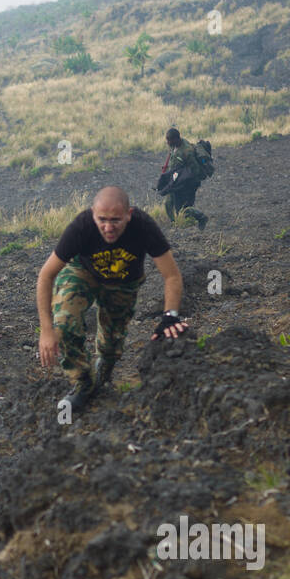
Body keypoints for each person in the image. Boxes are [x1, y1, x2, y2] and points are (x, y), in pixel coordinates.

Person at [36, 186, 188, 413]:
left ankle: (104, 368)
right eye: (102, 219)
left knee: (111, 343)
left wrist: (170, 316)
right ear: (93, 214)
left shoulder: (143, 226)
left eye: (116, 220)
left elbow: (172, 275)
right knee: (65, 324)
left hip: (124, 282)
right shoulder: (82, 226)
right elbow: (46, 275)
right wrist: (46, 330)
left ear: (129, 214)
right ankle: (83, 382)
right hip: (83, 272)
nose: (108, 227)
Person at [155, 127, 209, 229]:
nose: (167, 142)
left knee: (184, 209)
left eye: (169, 140)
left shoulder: (187, 151)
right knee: (168, 203)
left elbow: (195, 171)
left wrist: (185, 183)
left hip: (187, 184)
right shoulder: (175, 146)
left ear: (176, 138)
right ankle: (174, 224)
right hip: (175, 182)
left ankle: (201, 217)